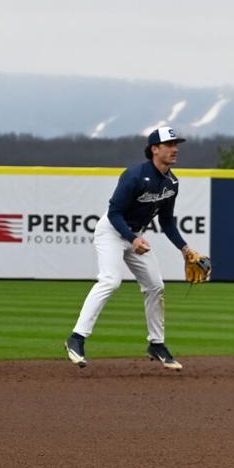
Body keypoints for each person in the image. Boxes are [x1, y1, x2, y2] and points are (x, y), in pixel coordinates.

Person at [64, 126, 199, 371]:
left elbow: (167, 221)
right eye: (169, 145)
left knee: (156, 286)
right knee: (111, 280)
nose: (175, 149)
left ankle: (156, 344)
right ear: (155, 149)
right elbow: (114, 212)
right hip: (112, 232)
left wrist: (184, 248)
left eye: (176, 145)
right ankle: (77, 338)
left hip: (134, 235)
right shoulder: (135, 175)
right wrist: (132, 238)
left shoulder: (172, 182)